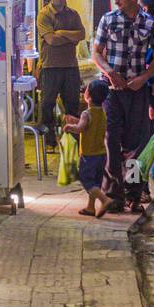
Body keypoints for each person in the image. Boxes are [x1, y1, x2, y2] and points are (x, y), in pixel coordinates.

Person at [93, 0, 154, 214]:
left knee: (136, 146)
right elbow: (97, 53)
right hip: (112, 92)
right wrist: (109, 72)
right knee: (112, 141)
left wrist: (144, 78)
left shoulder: (150, 24)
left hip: (137, 93)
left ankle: (134, 195)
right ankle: (114, 195)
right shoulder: (108, 20)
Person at [36, 0, 85, 150]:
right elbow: (50, 40)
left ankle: (70, 142)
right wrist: (69, 36)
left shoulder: (73, 14)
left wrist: (61, 32)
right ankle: (49, 142)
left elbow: (81, 35)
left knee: (72, 104)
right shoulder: (44, 14)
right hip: (50, 67)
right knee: (47, 105)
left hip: (70, 67)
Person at [64, 78, 110, 218]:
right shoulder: (102, 113)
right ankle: (90, 208)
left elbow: (80, 129)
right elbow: (89, 126)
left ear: (88, 96)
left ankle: (105, 199)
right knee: (96, 182)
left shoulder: (86, 113)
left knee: (87, 180)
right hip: (102, 154)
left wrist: (70, 127)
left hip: (89, 155)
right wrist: (76, 121)